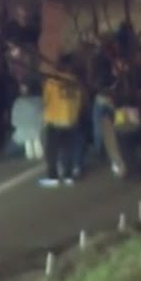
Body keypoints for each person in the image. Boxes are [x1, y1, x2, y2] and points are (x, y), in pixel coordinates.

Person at [40, 56, 84, 187]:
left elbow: (45, 100)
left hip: (54, 120)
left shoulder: (52, 82)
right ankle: (68, 175)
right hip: (70, 120)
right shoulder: (76, 82)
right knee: (68, 149)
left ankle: (52, 177)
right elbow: (79, 101)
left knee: (51, 151)